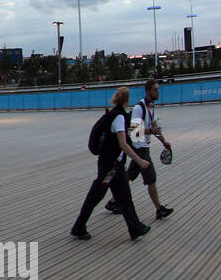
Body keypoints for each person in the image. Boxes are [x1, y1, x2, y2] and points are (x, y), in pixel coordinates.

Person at [71, 86, 152, 241]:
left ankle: (135, 228)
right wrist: (140, 161)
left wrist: (149, 131)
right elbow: (123, 144)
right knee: (96, 196)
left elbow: (133, 133)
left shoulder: (117, 114)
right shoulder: (119, 117)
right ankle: (78, 227)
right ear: (127, 100)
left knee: (124, 197)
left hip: (114, 166)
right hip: (111, 167)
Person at [107, 78, 174, 220]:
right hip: (139, 148)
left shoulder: (151, 107)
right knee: (151, 178)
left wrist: (164, 142)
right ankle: (159, 209)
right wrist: (151, 131)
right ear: (148, 91)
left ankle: (112, 201)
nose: (158, 92)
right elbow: (135, 131)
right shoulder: (139, 108)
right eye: (155, 90)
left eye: (158, 89)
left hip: (144, 147)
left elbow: (155, 128)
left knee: (130, 175)